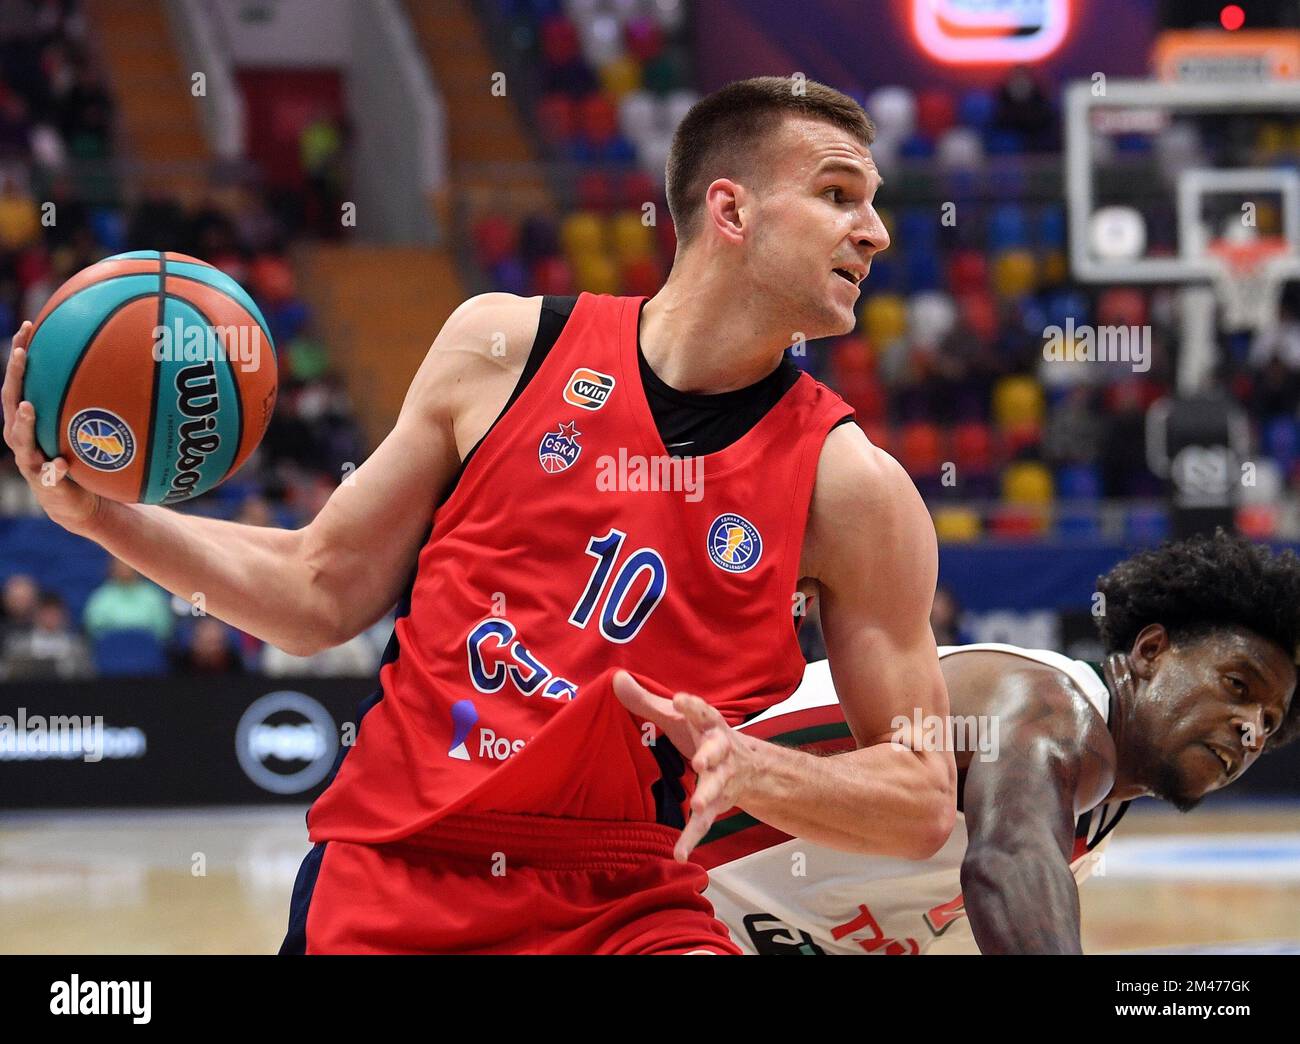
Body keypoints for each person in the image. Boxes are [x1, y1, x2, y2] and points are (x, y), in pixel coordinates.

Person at [3, 76, 954, 954]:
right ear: (731, 208)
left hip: (622, 903)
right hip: (391, 872)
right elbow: (317, 589)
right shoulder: (503, 346)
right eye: (838, 195)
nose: (873, 231)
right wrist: (101, 520)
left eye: (872, 205)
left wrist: (754, 770)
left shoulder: (853, 488)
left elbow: (921, 801)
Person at [695, 532, 1299, 954]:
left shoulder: (1094, 813)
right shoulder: (1052, 707)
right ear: (1150, 651)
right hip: (653, 873)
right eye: (1237, 684)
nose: (1249, 729)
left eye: (1268, 724)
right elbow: (1003, 864)